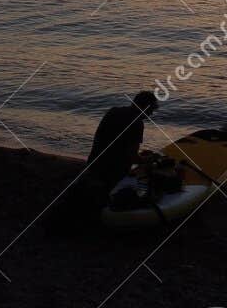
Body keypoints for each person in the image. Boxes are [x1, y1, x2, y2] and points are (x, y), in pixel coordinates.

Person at [46, 91, 159, 233]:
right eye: (152, 110)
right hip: (112, 171)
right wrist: (147, 160)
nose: (151, 115)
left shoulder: (113, 111)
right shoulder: (137, 124)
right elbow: (132, 156)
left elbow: (104, 138)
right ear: (146, 107)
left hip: (94, 162)